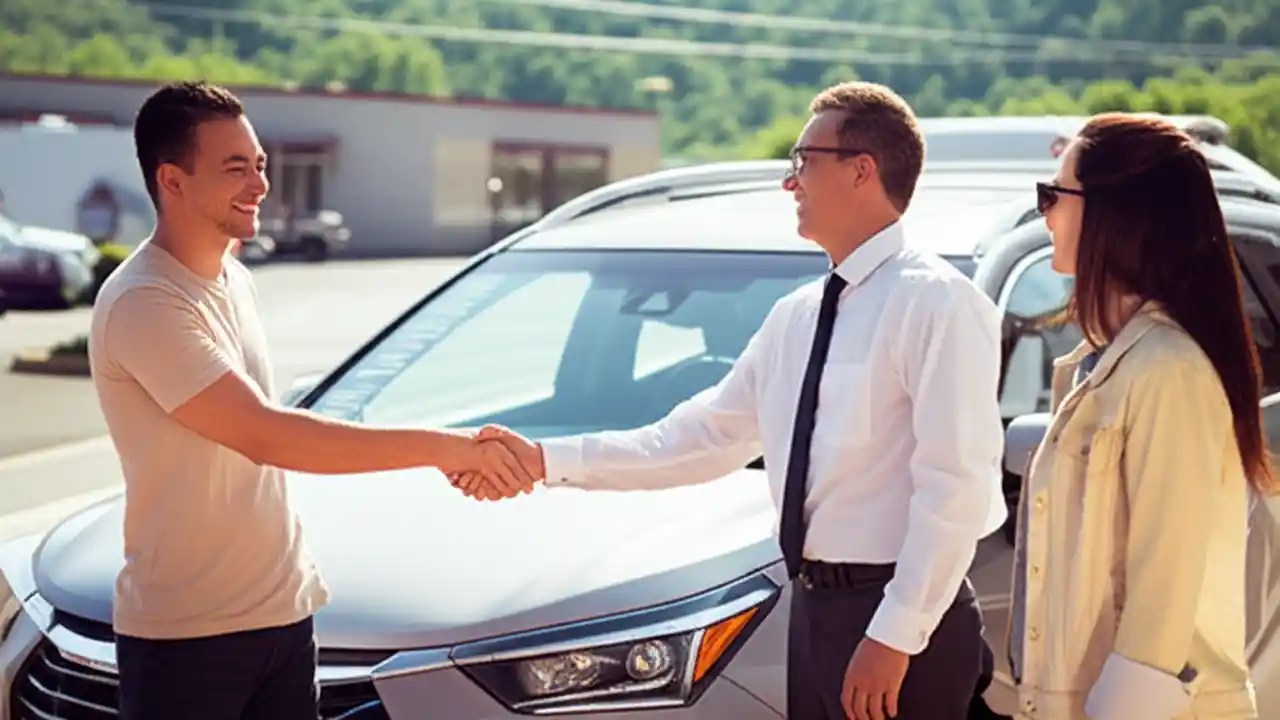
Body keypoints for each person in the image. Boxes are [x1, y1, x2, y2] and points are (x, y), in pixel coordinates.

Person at [456, 81, 1008, 720]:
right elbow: (694, 440)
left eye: (803, 161)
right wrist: (541, 459)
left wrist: (895, 632)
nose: (790, 182)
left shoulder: (939, 303)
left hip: (901, 618)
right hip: (815, 609)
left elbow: (956, 487)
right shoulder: (795, 316)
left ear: (863, 170)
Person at [88, 81, 531, 720]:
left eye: (260, 164)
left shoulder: (233, 279)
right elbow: (266, 434)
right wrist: (448, 448)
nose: (260, 184)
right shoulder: (145, 303)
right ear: (172, 181)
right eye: (235, 168)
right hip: (187, 637)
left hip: (283, 614)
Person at [1009, 113, 1276, 719]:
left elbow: (1162, 589)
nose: (1044, 212)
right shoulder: (1104, 360)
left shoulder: (1167, 369)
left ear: (1115, 213)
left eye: (1054, 195)